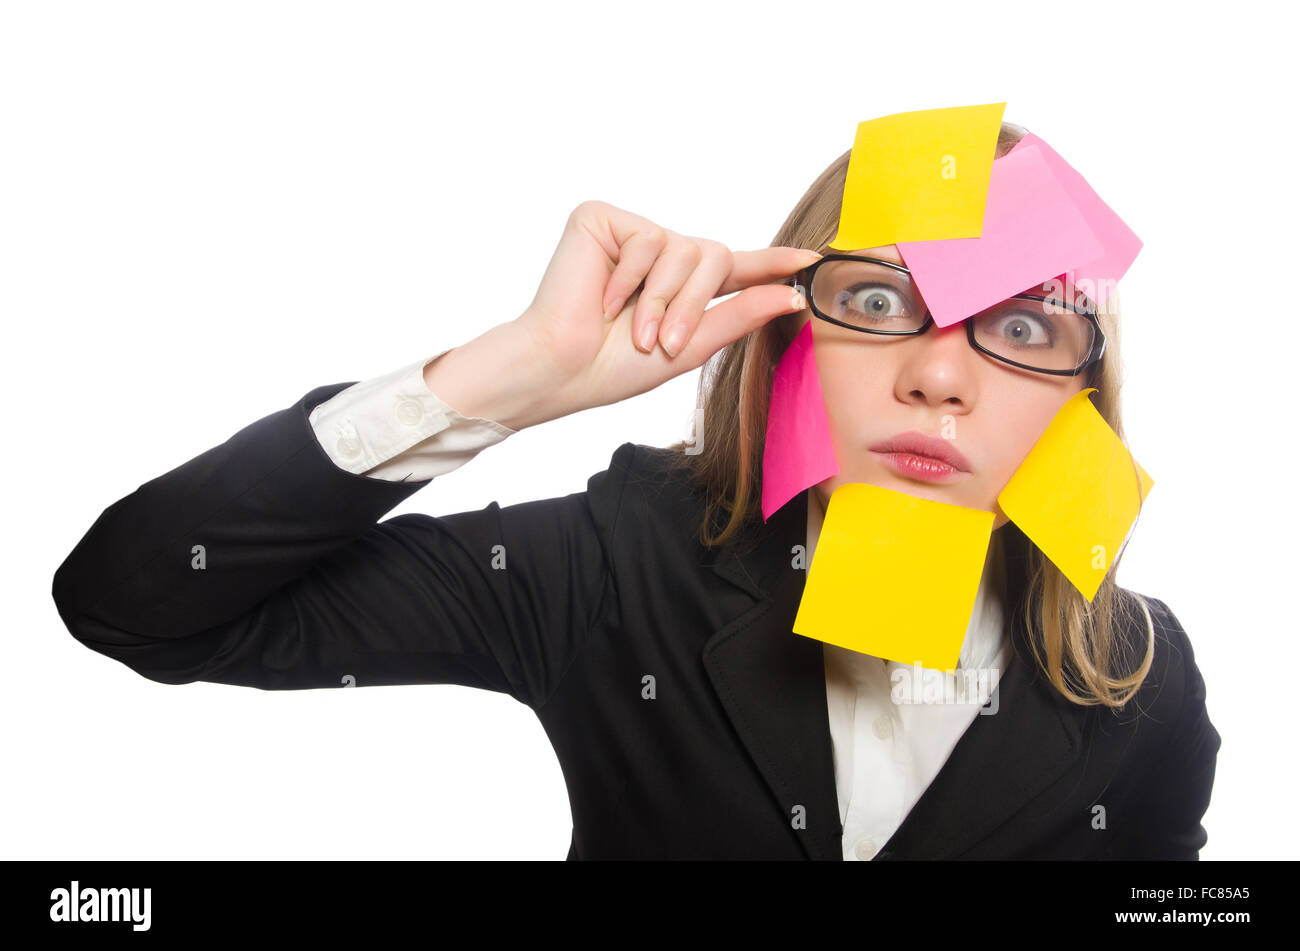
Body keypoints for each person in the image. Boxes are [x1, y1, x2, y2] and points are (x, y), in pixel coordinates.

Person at [51, 121, 1220, 860]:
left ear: (1079, 391)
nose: (936, 376)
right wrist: (508, 379)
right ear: (785, 330)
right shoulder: (624, 561)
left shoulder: (1140, 675)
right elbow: (135, 602)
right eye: (876, 301)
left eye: (1018, 325)